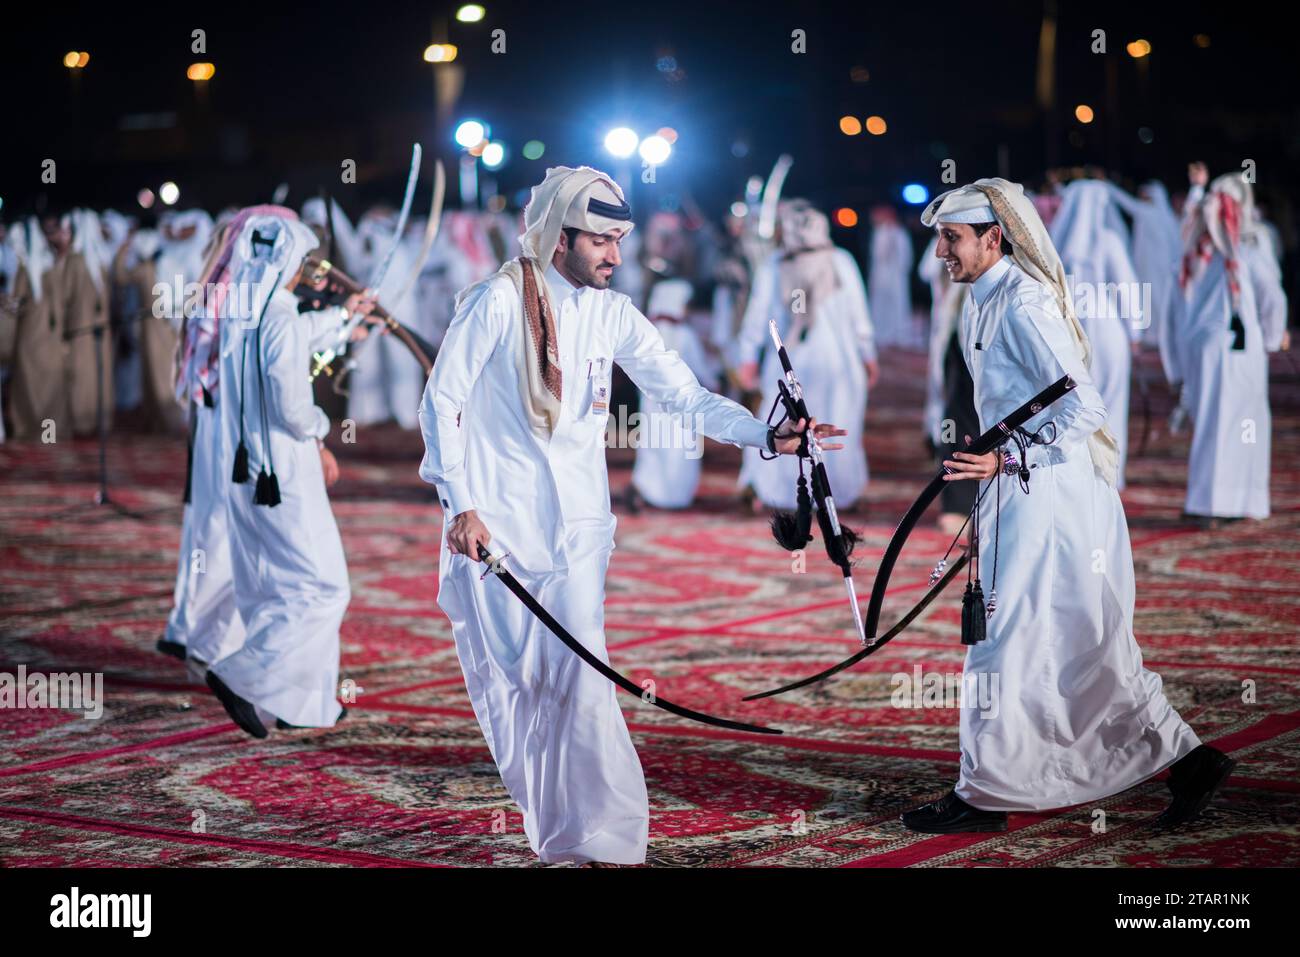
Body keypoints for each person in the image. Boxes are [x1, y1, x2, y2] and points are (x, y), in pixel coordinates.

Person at [418, 165, 840, 866]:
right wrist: (459, 505)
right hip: (497, 535)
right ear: (559, 239)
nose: (616, 255)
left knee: (581, 683)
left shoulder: (613, 313)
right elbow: (441, 401)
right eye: (602, 241)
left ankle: (608, 841)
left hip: (580, 533)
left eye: (620, 240)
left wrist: (764, 435)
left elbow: (686, 396)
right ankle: (559, 834)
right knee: (518, 691)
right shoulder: (494, 302)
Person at [903, 177, 1233, 833]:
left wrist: (1008, 457)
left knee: (1002, 634)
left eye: (951, 238)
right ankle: (1188, 761)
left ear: (994, 238)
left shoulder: (1025, 304)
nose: (941, 252)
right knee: (1083, 639)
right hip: (1028, 490)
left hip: (1052, 497)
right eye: (940, 238)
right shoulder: (981, 299)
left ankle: (984, 794)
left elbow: (1086, 407)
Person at [204, 209, 376, 736]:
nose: (307, 269)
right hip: (281, 469)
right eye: (302, 260)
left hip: (246, 466)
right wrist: (321, 428)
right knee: (322, 586)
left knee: (275, 584)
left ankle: (301, 703)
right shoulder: (275, 315)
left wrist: (347, 318)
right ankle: (244, 674)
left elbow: (299, 333)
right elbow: (292, 408)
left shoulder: (245, 308)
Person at [737, 200, 877, 511]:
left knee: (790, 426)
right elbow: (860, 317)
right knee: (833, 425)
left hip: (790, 364)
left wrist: (747, 356)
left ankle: (784, 494)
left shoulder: (775, 263)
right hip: (838, 364)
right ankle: (836, 495)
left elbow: (757, 318)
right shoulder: (841, 260)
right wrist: (868, 356)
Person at [1173, 172, 1287, 523]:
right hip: (1240, 353)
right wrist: (1272, 337)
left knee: (1214, 424)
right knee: (1239, 426)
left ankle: (1214, 503)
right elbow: (1273, 298)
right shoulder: (1249, 245)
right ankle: (1228, 504)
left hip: (1207, 350)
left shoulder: (1200, 248)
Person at [1049, 179, 1143, 487]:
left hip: (1071, 332)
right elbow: (1128, 289)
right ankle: (1110, 473)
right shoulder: (1109, 240)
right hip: (1107, 330)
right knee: (1111, 402)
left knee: (1076, 403)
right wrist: (1136, 332)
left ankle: (1079, 473)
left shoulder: (1058, 244)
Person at [867, 205, 915, 348]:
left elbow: (905, 258)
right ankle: (881, 335)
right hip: (880, 275)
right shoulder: (878, 233)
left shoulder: (899, 233)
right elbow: (876, 258)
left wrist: (898, 272)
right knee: (879, 305)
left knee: (898, 304)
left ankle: (899, 335)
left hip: (895, 277)